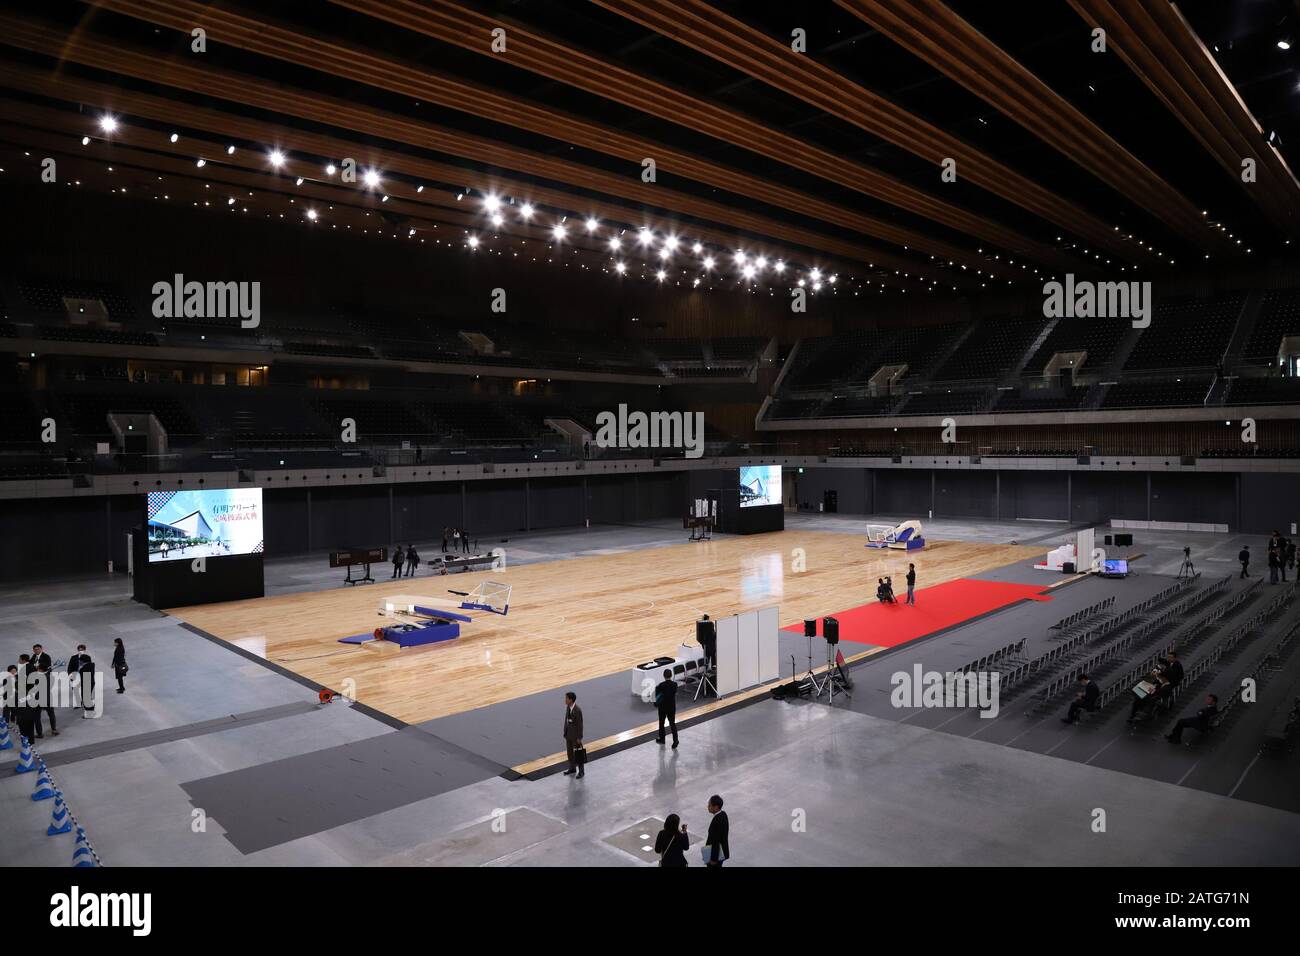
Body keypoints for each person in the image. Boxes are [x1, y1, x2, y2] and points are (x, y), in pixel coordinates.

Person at [1128, 651, 1183, 721]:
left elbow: (1178, 677)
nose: (1168, 658)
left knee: (1140, 695)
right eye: (1168, 657)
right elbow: (1158, 673)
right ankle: (1139, 704)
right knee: (1139, 692)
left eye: (1171, 657)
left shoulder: (1175, 668)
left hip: (1160, 689)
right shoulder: (1167, 668)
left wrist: (1153, 688)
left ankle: (1140, 706)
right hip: (1158, 687)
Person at [31, 662, 58, 738]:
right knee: (51, 714)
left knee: (37, 717)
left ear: (40, 669)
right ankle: (54, 729)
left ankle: (40, 734)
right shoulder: (49, 677)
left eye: (38, 668)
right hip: (47, 698)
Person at [68, 644, 95, 717]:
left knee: (85, 697)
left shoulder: (85, 667)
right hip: (82, 680)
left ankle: (89, 712)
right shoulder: (90, 664)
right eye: (79, 650)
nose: (81, 651)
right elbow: (70, 667)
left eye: (82, 650)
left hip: (84, 682)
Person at [562, 691, 584, 778]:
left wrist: (579, 737)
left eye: (566, 698)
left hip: (575, 736)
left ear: (571, 700)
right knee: (570, 753)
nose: (565, 700)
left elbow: (580, 724)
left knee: (578, 754)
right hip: (569, 735)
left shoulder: (577, 710)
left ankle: (581, 772)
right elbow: (567, 720)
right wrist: (565, 731)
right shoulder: (568, 707)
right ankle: (572, 768)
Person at [655, 669, 679, 748]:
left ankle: (662, 739)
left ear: (664, 676)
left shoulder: (661, 685)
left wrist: (656, 704)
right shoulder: (675, 685)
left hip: (662, 708)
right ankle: (675, 741)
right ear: (671, 675)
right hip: (671, 707)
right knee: (672, 724)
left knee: (661, 723)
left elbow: (658, 697)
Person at [704, 795, 729, 867]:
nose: (708, 807)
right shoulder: (723, 814)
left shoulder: (717, 822)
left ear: (716, 807)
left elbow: (716, 841)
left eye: (709, 805)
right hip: (722, 852)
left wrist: (713, 859)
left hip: (716, 855)